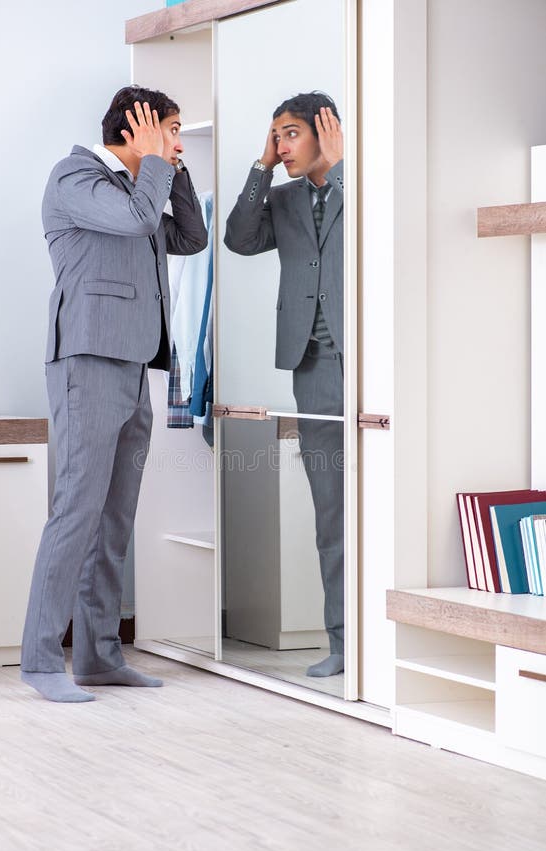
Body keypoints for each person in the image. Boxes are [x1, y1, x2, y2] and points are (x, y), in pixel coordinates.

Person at [21, 86, 208, 702]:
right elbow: (134, 222)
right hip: (86, 361)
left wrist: (169, 167)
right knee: (77, 508)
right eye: (171, 129)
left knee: (115, 516)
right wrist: (157, 162)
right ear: (138, 126)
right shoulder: (74, 177)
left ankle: (99, 657)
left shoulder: (145, 187)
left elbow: (191, 238)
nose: (178, 142)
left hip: (134, 367)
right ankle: (42, 660)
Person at [224, 92, 345, 678]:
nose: (281, 145)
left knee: (385, 503)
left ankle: (383, 639)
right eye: (275, 135)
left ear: (326, 130)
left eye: (290, 133)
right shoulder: (284, 197)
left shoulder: (366, 185)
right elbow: (239, 238)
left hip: (375, 362)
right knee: (331, 510)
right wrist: (260, 167)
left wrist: (344, 168)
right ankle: (344, 642)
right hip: (314, 366)